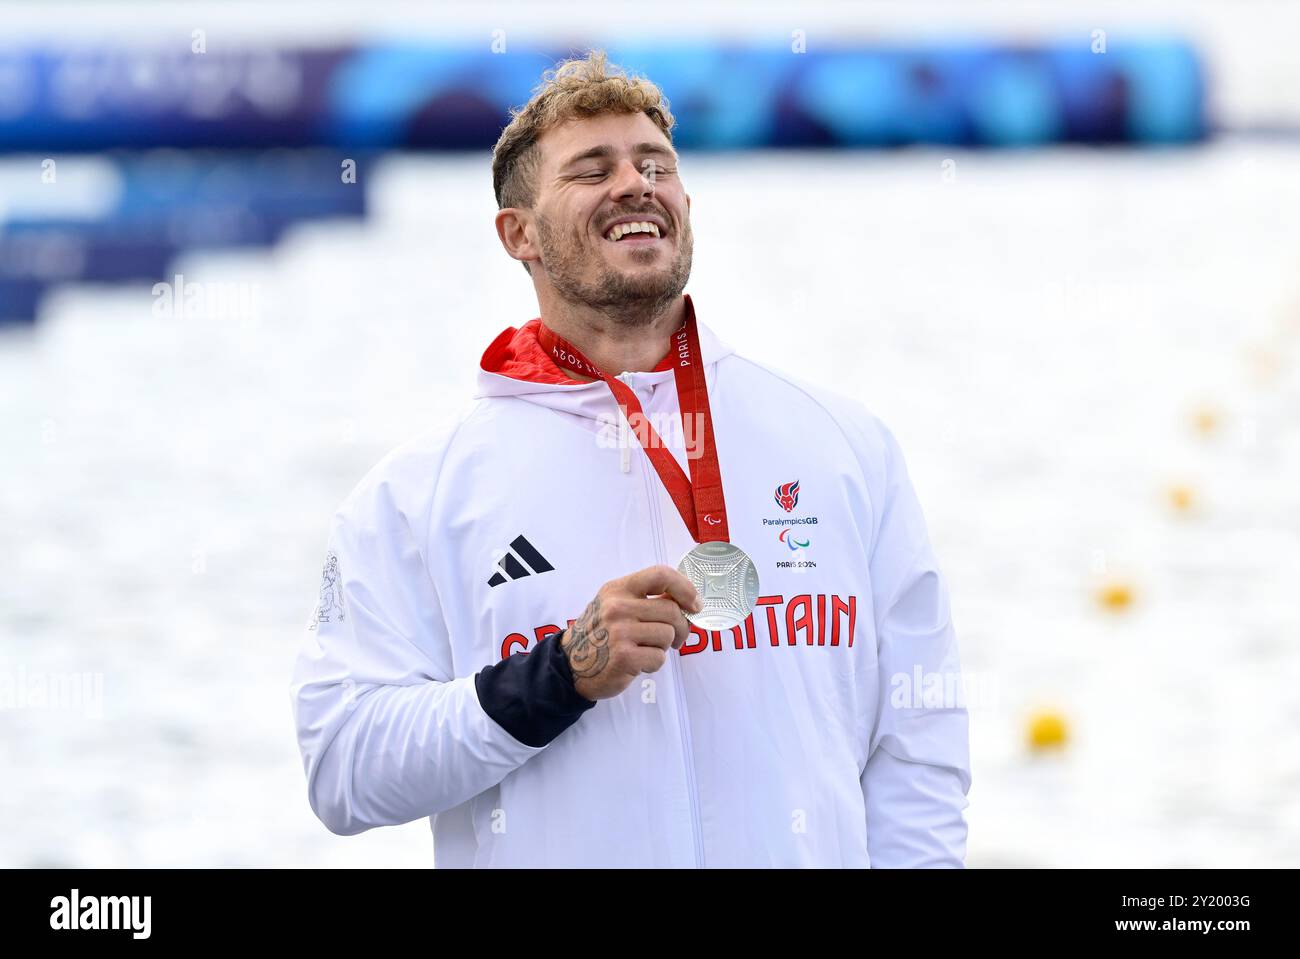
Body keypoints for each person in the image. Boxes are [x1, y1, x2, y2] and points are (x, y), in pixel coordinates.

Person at [290, 49, 971, 868]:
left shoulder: (843, 445)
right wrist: (558, 674)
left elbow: (919, 748)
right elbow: (343, 768)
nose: (635, 184)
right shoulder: (417, 493)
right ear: (519, 234)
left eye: (657, 165)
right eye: (593, 168)